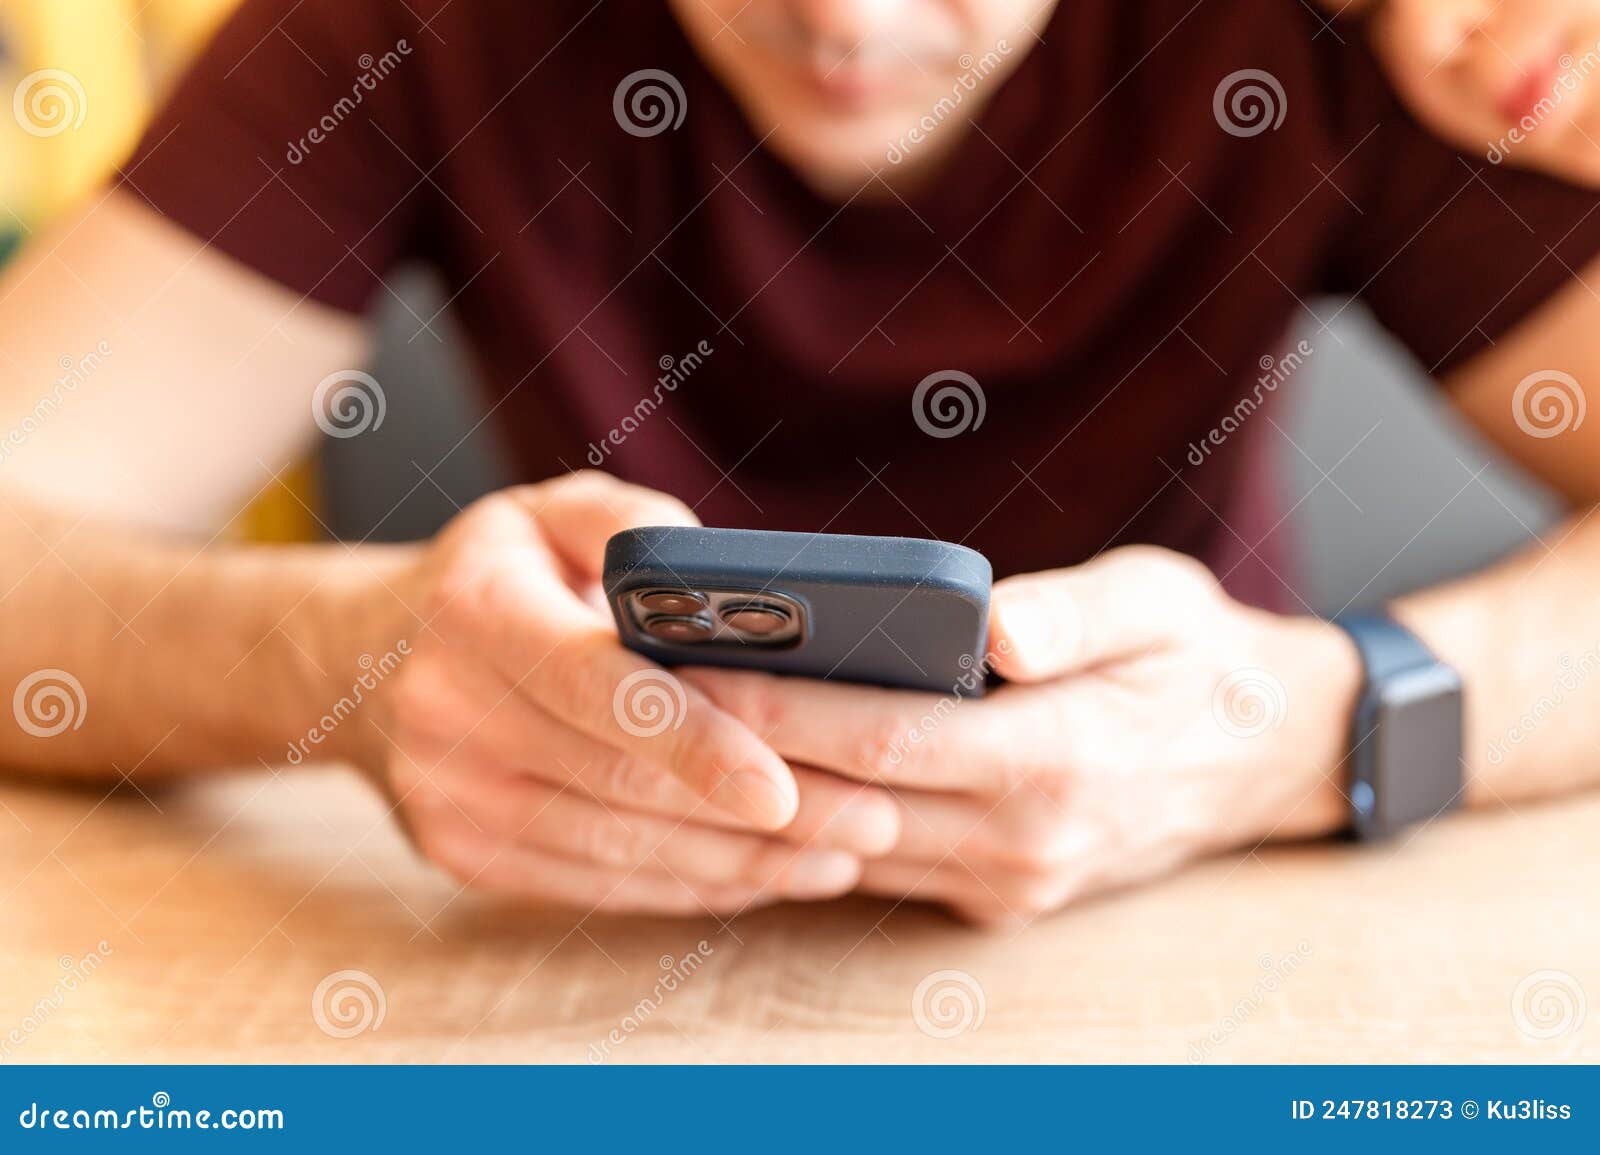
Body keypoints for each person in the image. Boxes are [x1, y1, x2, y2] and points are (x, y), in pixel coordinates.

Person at [3, 0, 1600, 927]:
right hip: (559, 995)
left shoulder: (1317, 32)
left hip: (1210, 931)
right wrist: (348, 665)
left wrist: (1314, 730)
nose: (848, 24)